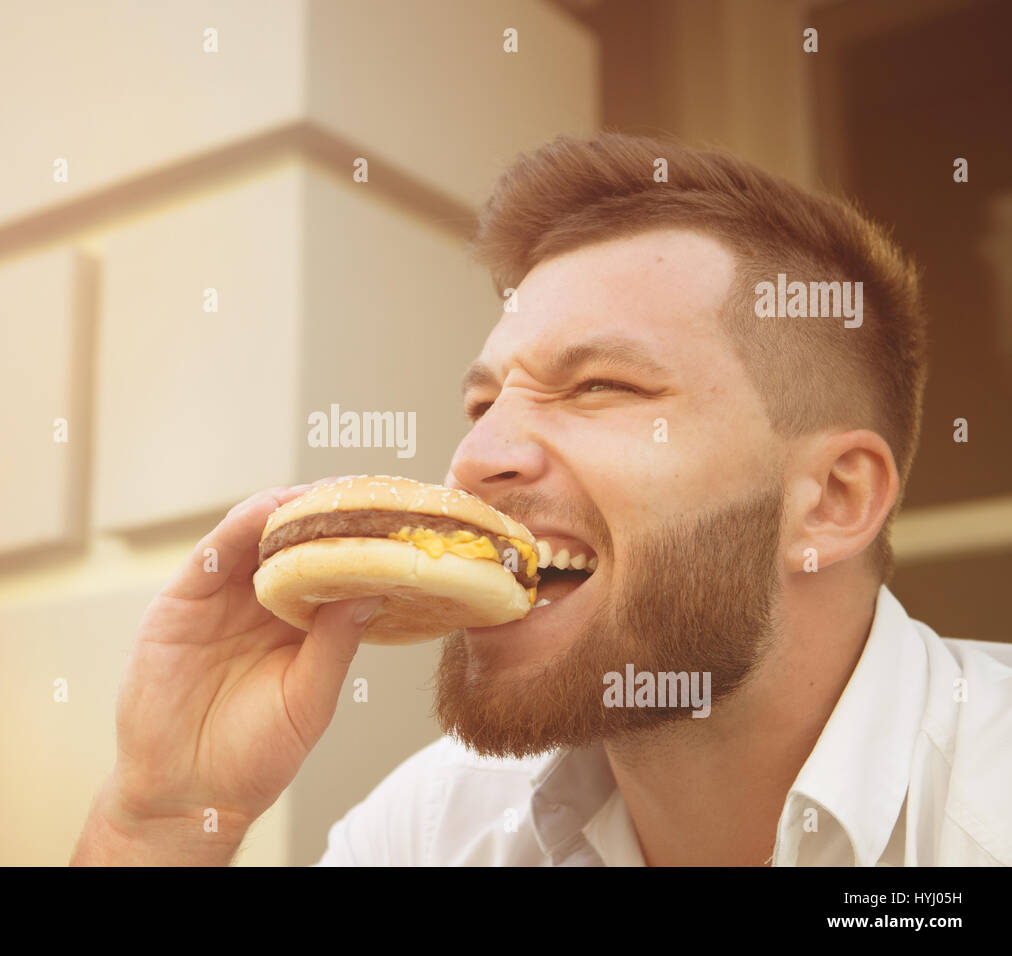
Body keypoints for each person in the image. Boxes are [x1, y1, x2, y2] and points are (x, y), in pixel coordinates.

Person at [71, 133, 1011, 867]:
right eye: (481, 404)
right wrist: (154, 822)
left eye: (600, 386)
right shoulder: (434, 828)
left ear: (832, 502)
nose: (475, 459)